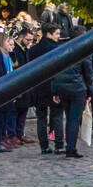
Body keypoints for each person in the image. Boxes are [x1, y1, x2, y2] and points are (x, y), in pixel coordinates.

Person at [50, 26, 93, 158]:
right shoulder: (82, 50)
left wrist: (55, 91)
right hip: (77, 88)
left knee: (69, 118)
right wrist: (90, 92)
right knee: (74, 119)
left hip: (62, 88)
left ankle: (69, 145)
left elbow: (53, 72)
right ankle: (71, 148)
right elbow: (88, 74)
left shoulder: (60, 50)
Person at [28, 24, 61, 152]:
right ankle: (58, 144)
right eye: (57, 34)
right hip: (53, 85)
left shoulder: (33, 50)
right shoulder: (56, 48)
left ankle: (44, 146)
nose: (59, 36)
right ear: (49, 34)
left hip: (39, 87)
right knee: (57, 116)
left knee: (41, 118)